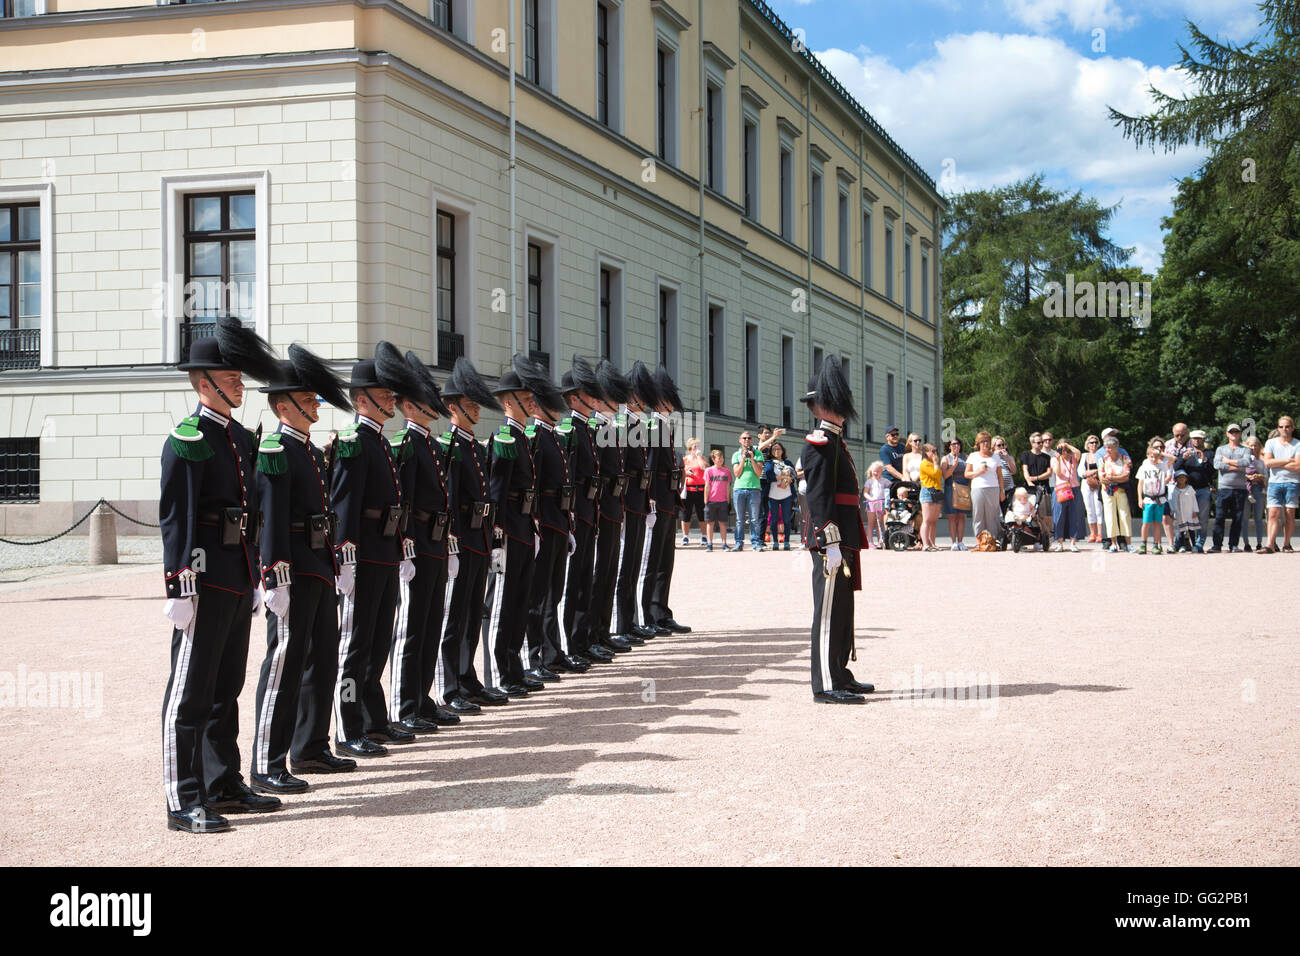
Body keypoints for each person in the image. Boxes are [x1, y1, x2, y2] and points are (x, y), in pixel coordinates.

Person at [160, 317, 282, 833]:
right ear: (203, 380)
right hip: (204, 581)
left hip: (235, 577)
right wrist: (178, 585)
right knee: (189, 694)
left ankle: (222, 781)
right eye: (229, 375)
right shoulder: (189, 439)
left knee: (225, 687)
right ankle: (182, 798)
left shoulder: (236, 437)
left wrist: (255, 578)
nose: (239, 382)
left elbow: (250, 515)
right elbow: (178, 517)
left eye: (238, 374)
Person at [250, 344, 358, 798]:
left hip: (318, 565)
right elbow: (270, 518)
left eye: (315, 400)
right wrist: (274, 576)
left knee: (321, 660)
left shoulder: (310, 452)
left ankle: (310, 744)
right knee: (285, 665)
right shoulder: (276, 448)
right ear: (283, 406)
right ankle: (266, 762)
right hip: (293, 568)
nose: (315, 407)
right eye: (308, 401)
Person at [331, 344, 419, 756]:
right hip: (363, 556)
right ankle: (349, 728)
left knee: (378, 641)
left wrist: (400, 548)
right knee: (355, 648)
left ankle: (374, 718)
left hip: (384, 551)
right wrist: (345, 560)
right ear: (362, 398)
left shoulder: (379, 441)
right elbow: (345, 507)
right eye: (385, 396)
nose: (392, 402)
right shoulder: (353, 441)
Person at [373, 345, 455, 739]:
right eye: (425, 398)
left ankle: (421, 700)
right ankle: (404, 705)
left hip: (436, 542)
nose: (433, 403)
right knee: (411, 629)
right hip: (418, 543)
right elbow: (402, 502)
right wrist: (406, 547)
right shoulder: (406, 445)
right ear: (410, 406)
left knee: (430, 624)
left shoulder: (431, 446)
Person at [798, 355, 874, 704]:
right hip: (831, 538)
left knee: (842, 608)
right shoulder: (820, 443)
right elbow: (819, 497)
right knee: (828, 610)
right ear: (822, 407)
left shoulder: (835, 442)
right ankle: (827, 682)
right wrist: (829, 539)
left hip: (844, 538)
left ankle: (840, 672)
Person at [434, 357, 505, 711]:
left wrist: (490, 542)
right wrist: (452, 547)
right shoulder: (448, 447)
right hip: (461, 541)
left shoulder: (475, 448)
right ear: (452, 408)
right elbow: (448, 503)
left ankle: (466, 677)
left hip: (478, 540)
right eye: (470, 404)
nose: (476, 409)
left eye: (478, 403)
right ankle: (449, 688)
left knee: (473, 612)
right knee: (453, 617)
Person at [482, 354, 548, 698]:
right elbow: (496, 494)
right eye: (524, 398)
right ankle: (499, 673)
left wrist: (533, 529)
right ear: (508, 402)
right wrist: (497, 539)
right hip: (507, 533)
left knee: (520, 602)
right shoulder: (506, 439)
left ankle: (514, 667)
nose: (531, 403)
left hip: (523, 529)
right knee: (503, 605)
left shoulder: (523, 438)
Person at [521, 357, 578, 680]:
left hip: (558, 521)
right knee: (539, 595)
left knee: (553, 594)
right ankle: (537, 655)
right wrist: (539, 525)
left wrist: (567, 525)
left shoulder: (554, 437)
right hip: (544, 522)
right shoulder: (535, 438)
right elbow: (534, 485)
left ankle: (553, 651)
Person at [557, 355, 607, 666]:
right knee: (572, 582)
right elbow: (568, 478)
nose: (595, 399)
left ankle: (583, 638)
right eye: (588, 394)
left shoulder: (586, 429)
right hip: (577, 513)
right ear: (574, 398)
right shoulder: (569, 429)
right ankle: (572, 643)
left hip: (591, 511)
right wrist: (571, 518)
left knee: (585, 580)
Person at [641, 365, 691, 635]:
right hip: (657, 501)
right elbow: (648, 468)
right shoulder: (652, 425)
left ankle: (661, 610)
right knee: (653, 562)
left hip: (668, 500)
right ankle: (649, 612)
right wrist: (649, 502)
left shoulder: (663, 425)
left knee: (665, 562)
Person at [612, 360, 660, 644]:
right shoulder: (620, 423)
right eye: (638, 396)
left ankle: (629, 621)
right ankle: (621, 623)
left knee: (632, 564)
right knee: (623, 564)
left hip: (638, 499)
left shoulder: (637, 423)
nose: (642, 401)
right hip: (627, 500)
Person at [589, 360, 634, 654]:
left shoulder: (611, 426)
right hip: (598, 509)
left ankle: (602, 631)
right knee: (595, 575)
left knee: (608, 571)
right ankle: (590, 634)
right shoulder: (594, 425)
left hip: (613, 507)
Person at [1260, 415, 1300, 553]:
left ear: (1292, 428)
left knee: (1289, 513)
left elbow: (1298, 466)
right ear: (1278, 428)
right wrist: (1289, 460)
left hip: (1292, 482)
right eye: (1281, 426)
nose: (1284, 429)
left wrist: (1278, 463)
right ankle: (1270, 544)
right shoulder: (1271, 443)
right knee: (1273, 513)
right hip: (1274, 483)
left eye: (1287, 426)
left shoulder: (1298, 444)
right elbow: (1268, 463)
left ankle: (1287, 544)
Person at [1210, 423, 1251, 552]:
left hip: (1240, 489)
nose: (1234, 434)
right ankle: (1217, 545)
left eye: (1236, 432)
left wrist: (1227, 461)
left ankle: (1233, 545)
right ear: (1227, 434)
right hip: (1224, 488)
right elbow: (1216, 464)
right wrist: (1236, 466)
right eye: (1231, 432)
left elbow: (1246, 462)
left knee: (1237, 518)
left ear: (1240, 434)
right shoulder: (1221, 449)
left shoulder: (1245, 449)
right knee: (1220, 517)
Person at [728, 430, 765, 551]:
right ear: (740, 440)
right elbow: (737, 474)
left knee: (754, 519)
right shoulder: (736, 454)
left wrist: (753, 459)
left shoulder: (758, 453)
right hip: (739, 489)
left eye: (749, 438)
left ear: (751, 440)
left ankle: (755, 543)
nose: (746, 440)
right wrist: (743, 459)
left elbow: (759, 473)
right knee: (739, 519)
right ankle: (739, 543)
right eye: (744, 438)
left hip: (754, 489)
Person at [1180, 430, 1216, 552]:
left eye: (1199, 438)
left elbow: (1213, 471)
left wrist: (1204, 459)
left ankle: (1200, 543)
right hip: (1188, 490)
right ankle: (1192, 541)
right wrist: (1182, 459)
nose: (1197, 440)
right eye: (1194, 438)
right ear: (1191, 440)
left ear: (1204, 439)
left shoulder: (1210, 454)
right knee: (1189, 517)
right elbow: (1176, 468)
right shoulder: (1186, 453)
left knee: (1202, 518)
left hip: (1204, 489)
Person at [1135, 437, 1172, 554]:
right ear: (1147, 456)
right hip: (1148, 499)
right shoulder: (1144, 467)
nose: (1153, 458)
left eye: (1155, 457)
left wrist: (1160, 453)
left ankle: (1156, 544)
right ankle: (1143, 543)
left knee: (1157, 523)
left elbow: (1173, 459)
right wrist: (1140, 498)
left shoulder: (1162, 466)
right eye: (1151, 456)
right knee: (1146, 523)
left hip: (1160, 499)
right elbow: (1140, 484)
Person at [965, 431, 1003, 539]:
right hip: (978, 488)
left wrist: (1002, 490)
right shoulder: (973, 456)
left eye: (987, 441)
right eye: (982, 441)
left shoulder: (996, 457)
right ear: (978, 443)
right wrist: (978, 472)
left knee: (993, 515)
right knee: (978, 515)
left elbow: (1000, 475)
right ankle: (980, 540)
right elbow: (967, 474)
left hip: (993, 488)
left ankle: (993, 540)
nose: (985, 443)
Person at [1099, 435, 1133, 552]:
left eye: (1110, 447)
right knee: (1110, 516)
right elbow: (1102, 478)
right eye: (1106, 448)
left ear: (1116, 447)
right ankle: (1113, 544)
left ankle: (1128, 544)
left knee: (1125, 515)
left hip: (1122, 490)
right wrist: (1117, 478)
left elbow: (1126, 477)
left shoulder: (1125, 459)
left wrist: (1112, 478)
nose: (1108, 450)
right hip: (1107, 492)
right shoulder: (1102, 460)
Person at [1050, 438, 1085, 552]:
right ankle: (1060, 543)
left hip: (1073, 488)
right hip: (1061, 489)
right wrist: (1059, 457)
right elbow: (1058, 472)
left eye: (1065, 448)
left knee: (1074, 516)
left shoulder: (1073, 458)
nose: (1063, 450)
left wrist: (1068, 446)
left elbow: (1079, 452)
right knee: (1059, 516)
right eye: (1061, 448)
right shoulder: (1054, 459)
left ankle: (1073, 542)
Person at [1020, 432, 1052, 546]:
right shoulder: (1026, 455)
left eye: (1041, 442)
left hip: (1043, 487)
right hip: (1030, 489)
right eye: (1038, 442)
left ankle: (1046, 535)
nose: (1041, 444)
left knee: (1043, 514)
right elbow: (1025, 470)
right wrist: (1030, 482)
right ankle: (1044, 535)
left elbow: (1049, 473)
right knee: (1031, 514)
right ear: (1032, 443)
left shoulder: (1046, 457)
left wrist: (1036, 478)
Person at [763, 441, 796, 550]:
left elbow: (794, 474)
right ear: (771, 452)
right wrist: (782, 477)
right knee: (774, 519)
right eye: (774, 449)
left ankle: (786, 542)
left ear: (783, 451)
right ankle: (775, 542)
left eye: (778, 449)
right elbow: (769, 476)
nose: (776, 451)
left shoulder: (788, 463)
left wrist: (790, 478)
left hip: (787, 494)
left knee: (787, 519)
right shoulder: (769, 463)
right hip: (773, 495)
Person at [940, 438, 970, 550]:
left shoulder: (966, 457)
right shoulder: (945, 458)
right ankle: (953, 542)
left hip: (963, 487)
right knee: (952, 516)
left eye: (958, 444)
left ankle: (961, 541)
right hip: (951, 487)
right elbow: (945, 475)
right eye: (953, 444)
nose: (956, 446)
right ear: (949, 446)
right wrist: (953, 466)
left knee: (961, 516)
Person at [703, 449, 731, 551]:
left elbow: (728, 486)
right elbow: (707, 486)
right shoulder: (708, 471)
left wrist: (728, 500)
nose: (721, 460)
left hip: (723, 501)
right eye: (719, 458)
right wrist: (706, 499)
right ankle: (709, 544)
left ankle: (724, 543)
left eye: (722, 458)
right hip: (711, 500)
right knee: (710, 523)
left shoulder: (727, 471)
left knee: (722, 523)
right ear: (713, 459)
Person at [680, 437, 707, 546]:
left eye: (698, 445)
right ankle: (685, 536)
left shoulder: (702, 458)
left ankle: (704, 536)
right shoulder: (685, 459)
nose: (696, 447)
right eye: (694, 445)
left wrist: (699, 457)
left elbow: (704, 468)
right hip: (688, 490)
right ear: (690, 447)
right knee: (686, 513)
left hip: (700, 489)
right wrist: (686, 472)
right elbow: (680, 471)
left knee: (702, 514)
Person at [1078, 435, 1104, 543]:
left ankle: (1100, 533)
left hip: (1098, 483)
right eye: (1091, 442)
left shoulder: (1101, 455)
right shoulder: (1084, 456)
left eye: (1095, 442)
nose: (1093, 445)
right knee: (1089, 509)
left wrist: (1093, 472)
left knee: (1098, 509)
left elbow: (1103, 469)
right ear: (1087, 444)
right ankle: (1092, 533)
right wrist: (1090, 473)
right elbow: (1080, 472)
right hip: (1086, 483)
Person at [1244, 435, 1268, 551]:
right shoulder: (1243, 459)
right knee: (1245, 517)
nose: (1253, 447)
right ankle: (1246, 543)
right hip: (1246, 489)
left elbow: (1266, 475)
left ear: (1259, 446)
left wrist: (1259, 476)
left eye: (1255, 445)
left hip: (1258, 488)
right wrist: (1247, 476)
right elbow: (1239, 474)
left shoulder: (1261, 461)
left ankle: (1259, 542)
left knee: (1258, 518)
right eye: (1251, 445)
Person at [917, 443, 943, 550]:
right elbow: (935, 474)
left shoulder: (933, 463)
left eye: (935, 451)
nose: (934, 453)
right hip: (927, 491)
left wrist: (936, 465)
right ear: (926, 452)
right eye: (932, 451)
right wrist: (936, 464)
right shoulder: (924, 463)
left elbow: (939, 477)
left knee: (933, 520)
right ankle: (926, 544)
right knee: (927, 520)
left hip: (936, 490)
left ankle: (932, 543)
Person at [1170, 470, 1199, 552]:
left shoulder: (1190, 489)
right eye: (1179, 478)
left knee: (1191, 529)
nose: (1182, 479)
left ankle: (1194, 545)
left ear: (1186, 479)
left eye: (1183, 477)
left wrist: (1195, 510)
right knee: (1181, 530)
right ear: (1176, 479)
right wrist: (1173, 512)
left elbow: (1194, 500)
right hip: (1180, 513)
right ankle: (1182, 545)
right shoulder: (1175, 490)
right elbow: (1173, 501)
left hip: (1190, 512)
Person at [862, 462, 887, 549]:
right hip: (871, 504)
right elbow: (865, 493)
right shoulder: (869, 481)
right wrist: (871, 499)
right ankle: (870, 541)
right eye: (874, 471)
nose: (875, 473)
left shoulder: (885, 481)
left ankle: (880, 541)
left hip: (880, 503)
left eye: (878, 471)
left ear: (881, 472)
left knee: (879, 523)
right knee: (871, 523)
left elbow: (890, 488)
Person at [991, 436, 1016, 506]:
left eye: (1003, 445)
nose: (1002, 447)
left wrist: (1007, 457)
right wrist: (994, 455)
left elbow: (1014, 471)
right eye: (999, 445)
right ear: (993, 447)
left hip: (1009, 488)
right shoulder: (991, 457)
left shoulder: (1009, 457)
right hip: (996, 489)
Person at [879, 426, 904, 490]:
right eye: (893, 435)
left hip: (902, 480)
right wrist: (902, 477)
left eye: (897, 434)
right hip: (890, 481)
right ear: (887, 437)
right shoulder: (884, 450)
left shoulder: (902, 447)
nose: (895, 436)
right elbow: (889, 468)